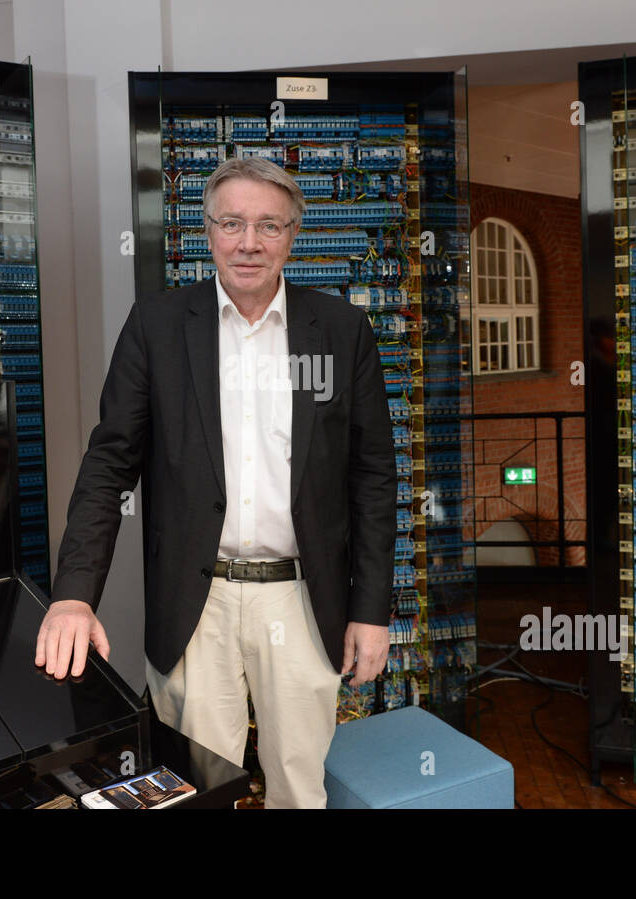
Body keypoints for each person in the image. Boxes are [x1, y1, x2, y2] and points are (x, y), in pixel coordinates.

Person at [35, 157, 396, 808]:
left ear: (293, 234)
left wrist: (370, 609)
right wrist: (72, 594)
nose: (248, 242)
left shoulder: (343, 332)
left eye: (268, 225)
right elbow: (108, 462)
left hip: (302, 600)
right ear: (207, 231)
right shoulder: (158, 327)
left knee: (297, 784)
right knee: (195, 791)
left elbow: (373, 479)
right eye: (232, 223)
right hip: (195, 605)